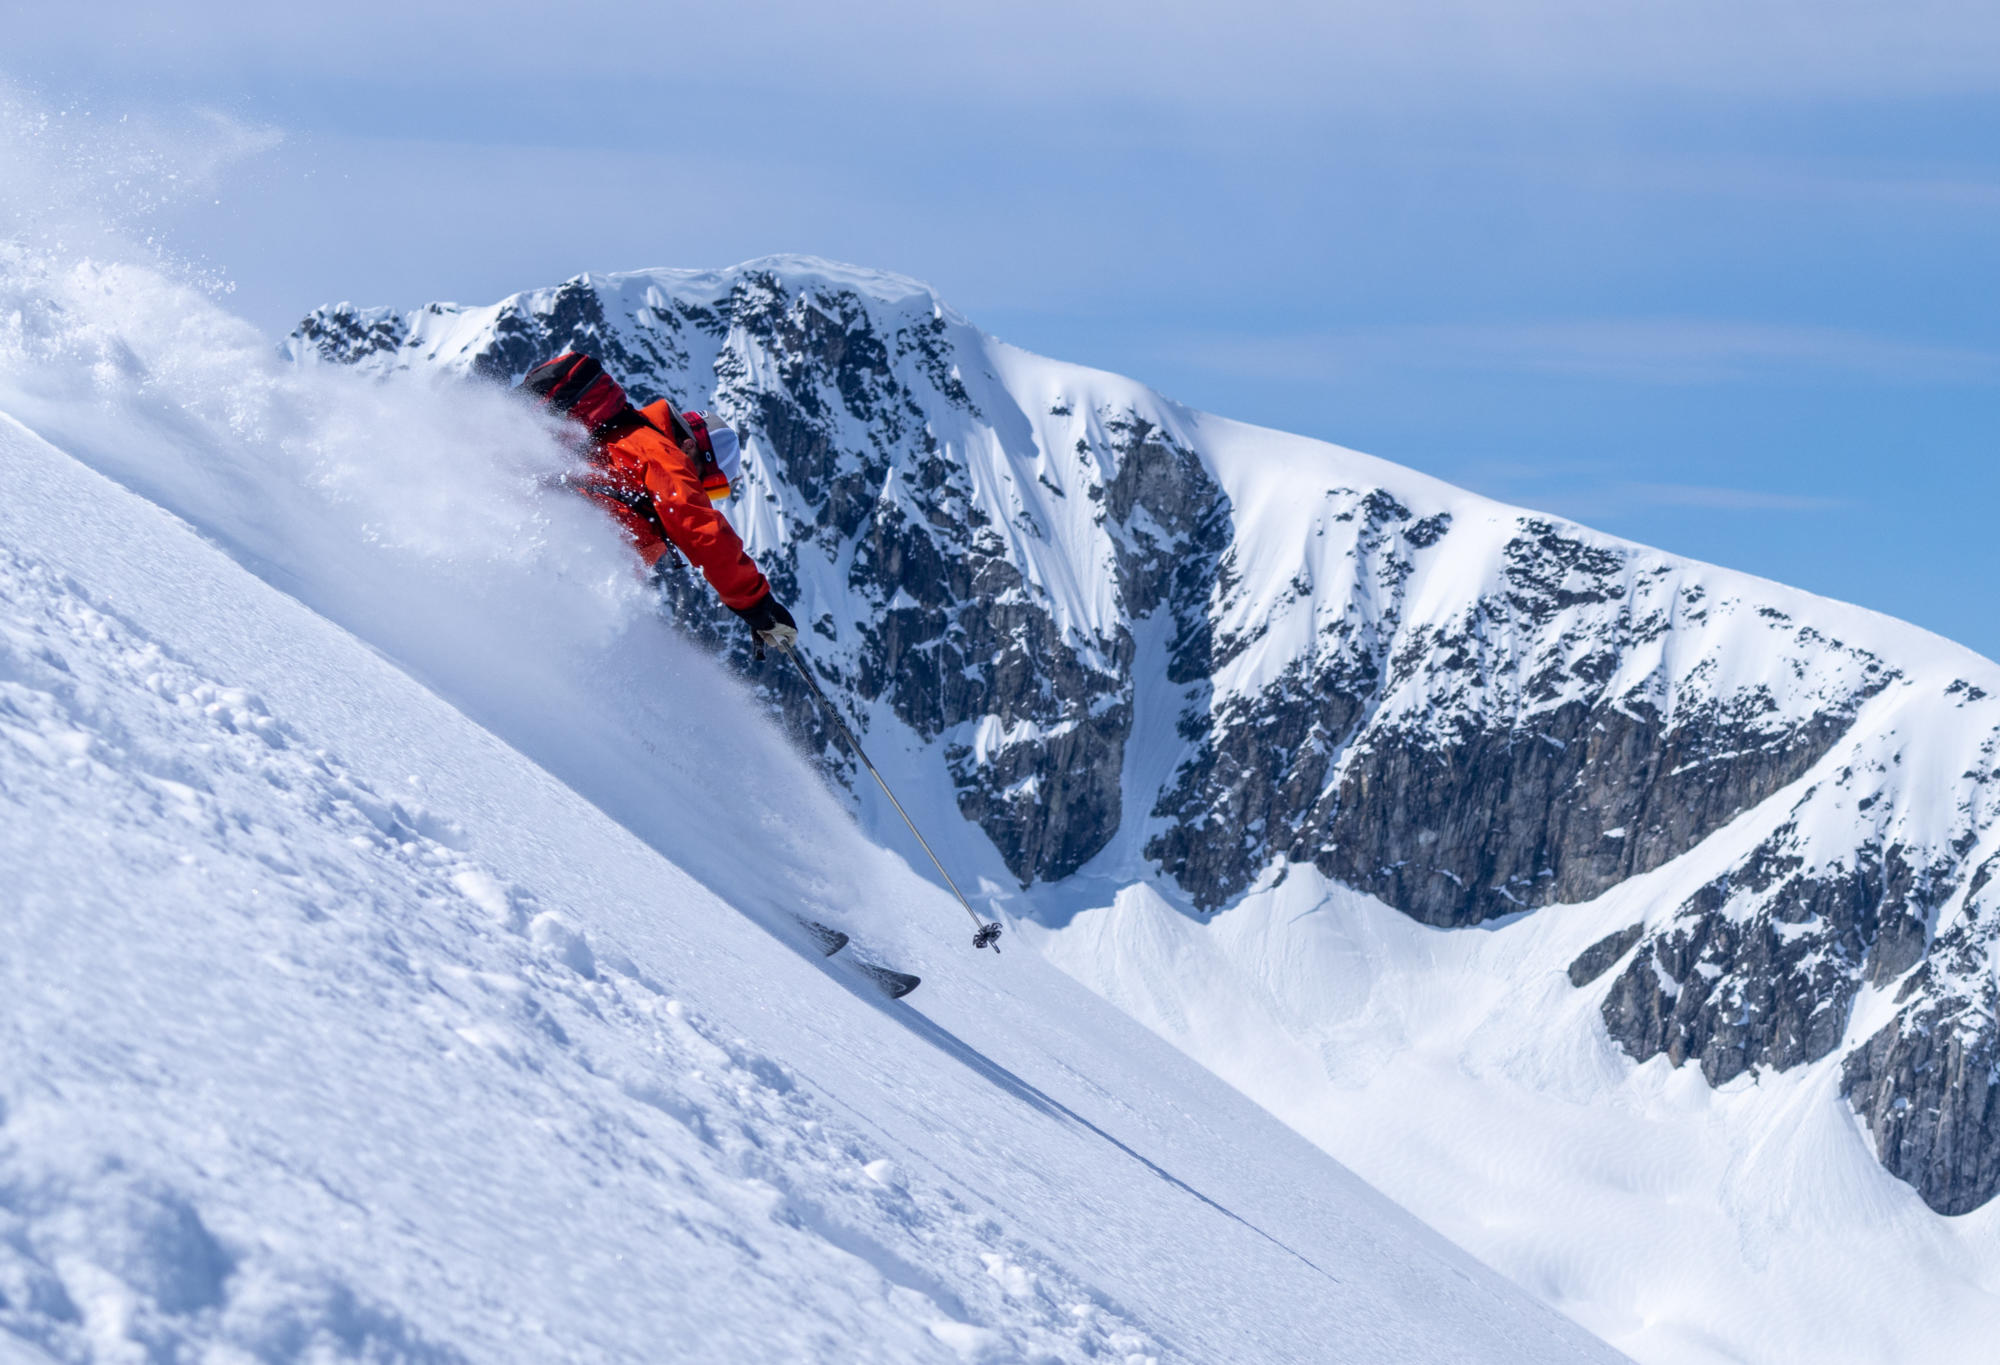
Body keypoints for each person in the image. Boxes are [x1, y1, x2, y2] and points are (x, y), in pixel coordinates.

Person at [519, 353, 797, 650]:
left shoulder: (629, 440)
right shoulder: (663, 455)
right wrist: (757, 603)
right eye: (704, 482)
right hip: (561, 548)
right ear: (689, 446)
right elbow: (702, 531)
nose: (700, 491)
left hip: (556, 541)